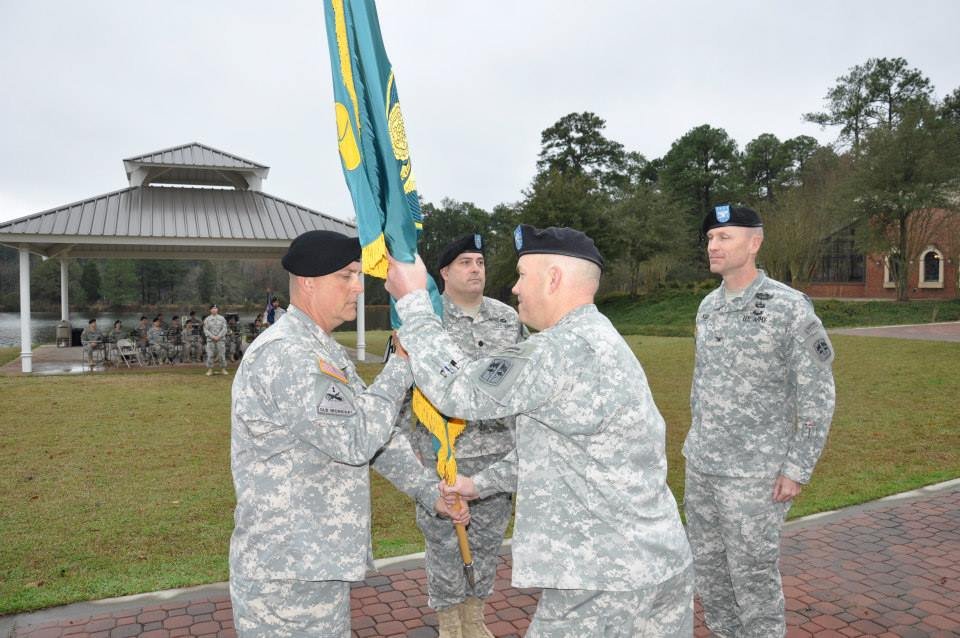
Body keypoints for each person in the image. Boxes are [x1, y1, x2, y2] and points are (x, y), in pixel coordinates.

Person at [386, 225, 694, 637]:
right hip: (652, 562)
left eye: (522, 275)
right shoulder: (597, 338)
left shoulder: (561, 349)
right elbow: (549, 447)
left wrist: (414, 304)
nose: (514, 288)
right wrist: (477, 484)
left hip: (601, 578)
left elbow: (460, 392)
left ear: (553, 278)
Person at [229, 229, 467, 637]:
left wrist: (430, 492)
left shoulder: (321, 349)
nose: (359, 287)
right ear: (308, 282)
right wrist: (400, 366)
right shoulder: (288, 354)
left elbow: (377, 435)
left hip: (315, 561)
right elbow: (356, 439)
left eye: (359, 275)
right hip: (287, 571)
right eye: (347, 276)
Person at [683, 205, 836, 638]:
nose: (713, 245)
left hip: (755, 474)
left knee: (753, 582)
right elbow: (703, 388)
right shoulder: (708, 306)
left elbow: (818, 394)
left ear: (754, 242)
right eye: (710, 237)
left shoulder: (790, 308)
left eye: (724, 237)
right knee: (710, 577)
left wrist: (797, 467)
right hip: (704, 468)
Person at [400, 234, 526, 638]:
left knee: (487, 545)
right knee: (443, 546)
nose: (475, 269)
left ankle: (475, 619)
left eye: (480, 262)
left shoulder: (508, 318)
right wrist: (410, 452)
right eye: (465, 263)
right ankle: (450, 624)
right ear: (444, 273)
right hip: (445, 457)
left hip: (496, 461)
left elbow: (523, 382)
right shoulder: (426, 323)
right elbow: (403, 390)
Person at [203, 304, 228, 376]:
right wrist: (213, 337)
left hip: (220, 340)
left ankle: (223, 369)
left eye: (215, 308)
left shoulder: (222, 318)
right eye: (213, 308)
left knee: (221, 355)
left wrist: (218, 336)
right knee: (210, 355)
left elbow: (224, 329)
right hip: (211, 340)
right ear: (210, 310)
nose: (214, 309)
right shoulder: (207, 319)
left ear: (217, 310)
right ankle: (210, 369)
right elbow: (205, 330)